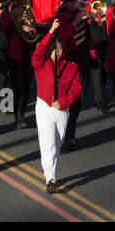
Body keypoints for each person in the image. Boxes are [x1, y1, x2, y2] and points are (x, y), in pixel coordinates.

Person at [32, 20, 82, 193]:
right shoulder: (41, 64)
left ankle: (49, 170)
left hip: (61, 110)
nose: (55, 52)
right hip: (44, 108)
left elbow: (76, 89)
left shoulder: (71, 67)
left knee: (57, 143)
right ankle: (50, 179)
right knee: (49, 144)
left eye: (58, 49)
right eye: (53, 49)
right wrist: (51, 32)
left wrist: (64, 102)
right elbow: (38, 53)